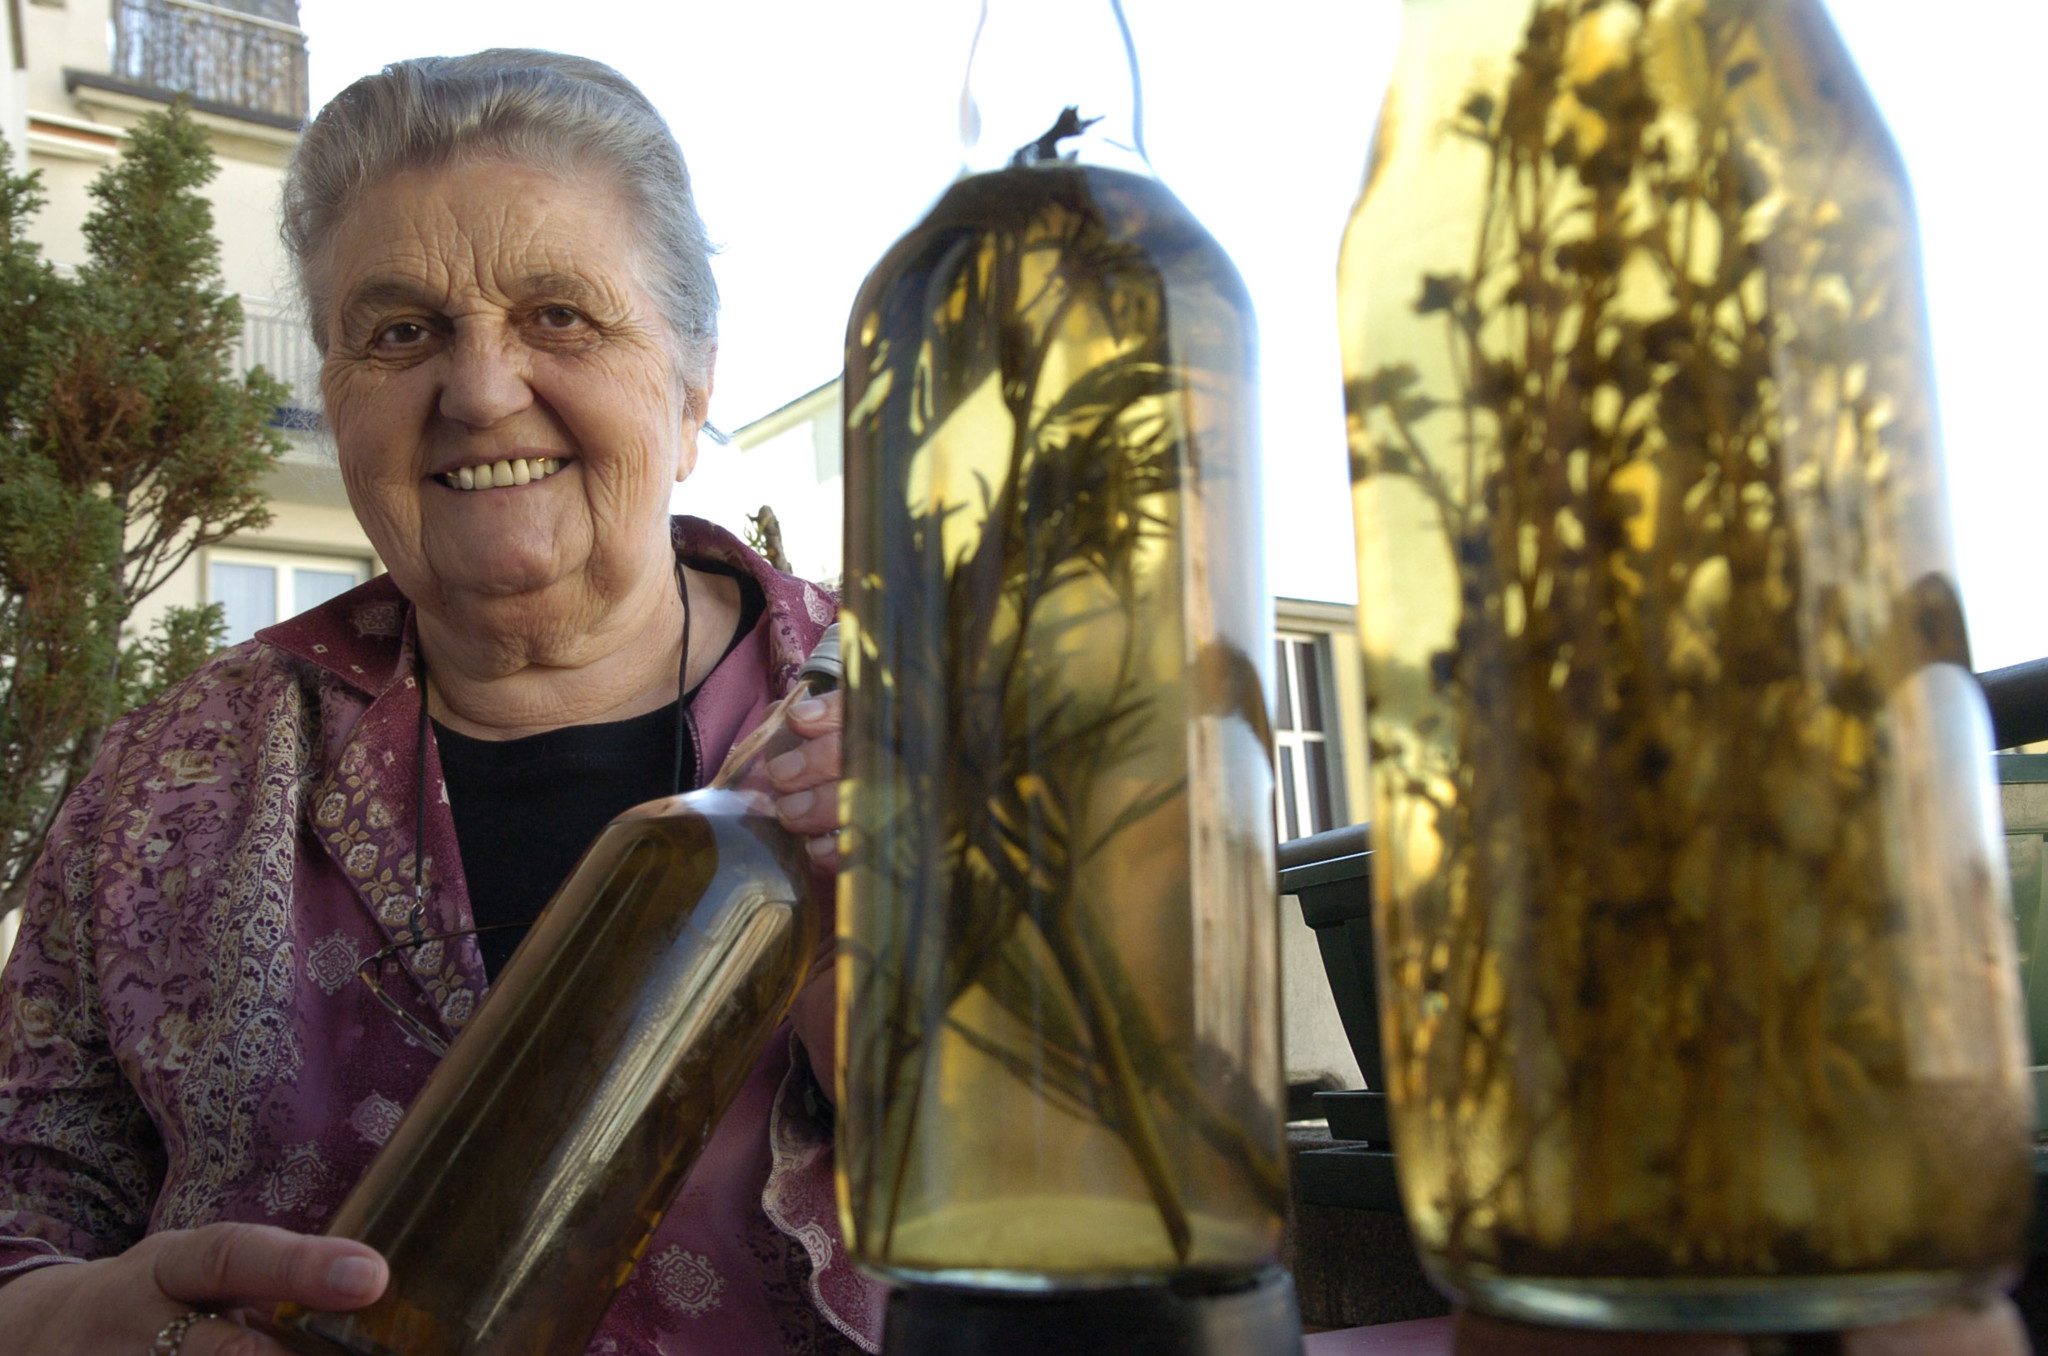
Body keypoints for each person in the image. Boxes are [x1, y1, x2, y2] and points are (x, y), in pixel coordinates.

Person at [0, 50, 878, 1355]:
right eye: (401, 330)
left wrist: (907, 1028)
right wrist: (97, 1326)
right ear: (338, 394)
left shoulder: (929, 734)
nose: (478, 391)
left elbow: (1142, 1209)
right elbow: (27, 1204)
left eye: (560, 317)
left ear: (694, 384)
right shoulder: (162, 782)